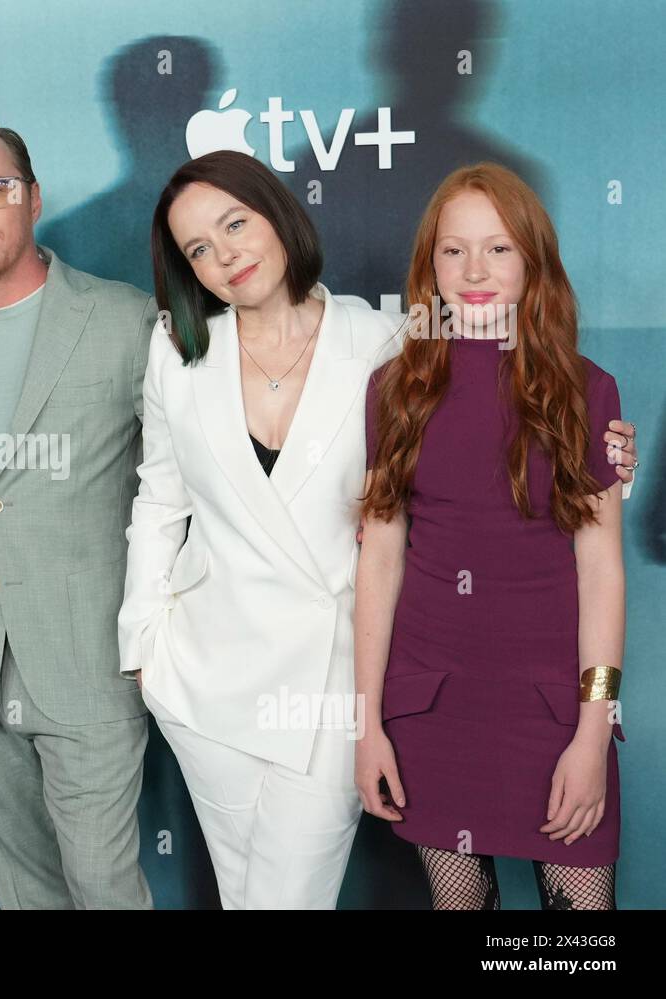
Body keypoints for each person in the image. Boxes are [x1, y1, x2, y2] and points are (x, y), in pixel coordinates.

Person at [117, 151, 639, 909]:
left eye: (235, 223)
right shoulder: (198, 351)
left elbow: (589, 531)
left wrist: (618, 454)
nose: (223, 252)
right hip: (241, 683)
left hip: (406, 690)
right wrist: (144, 650)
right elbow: (161, 499)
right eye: (198, 246)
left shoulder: (383, 342)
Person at [0, 115, 155, 908]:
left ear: (34, 198)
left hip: (89, 662)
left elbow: (182, 483)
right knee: (23, 892)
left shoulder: (126, 318)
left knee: (103, 885)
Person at [354, 163, 627, 909]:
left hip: (554, 713)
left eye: (499, 249)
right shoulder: (394, 390)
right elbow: (378, 563)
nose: (474, 271)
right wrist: (367, 723)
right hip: (433, 710)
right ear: (429, 264)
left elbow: (603, 573)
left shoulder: (589, 390)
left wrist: (594, 730)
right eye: (453, 250)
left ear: (532, 260)